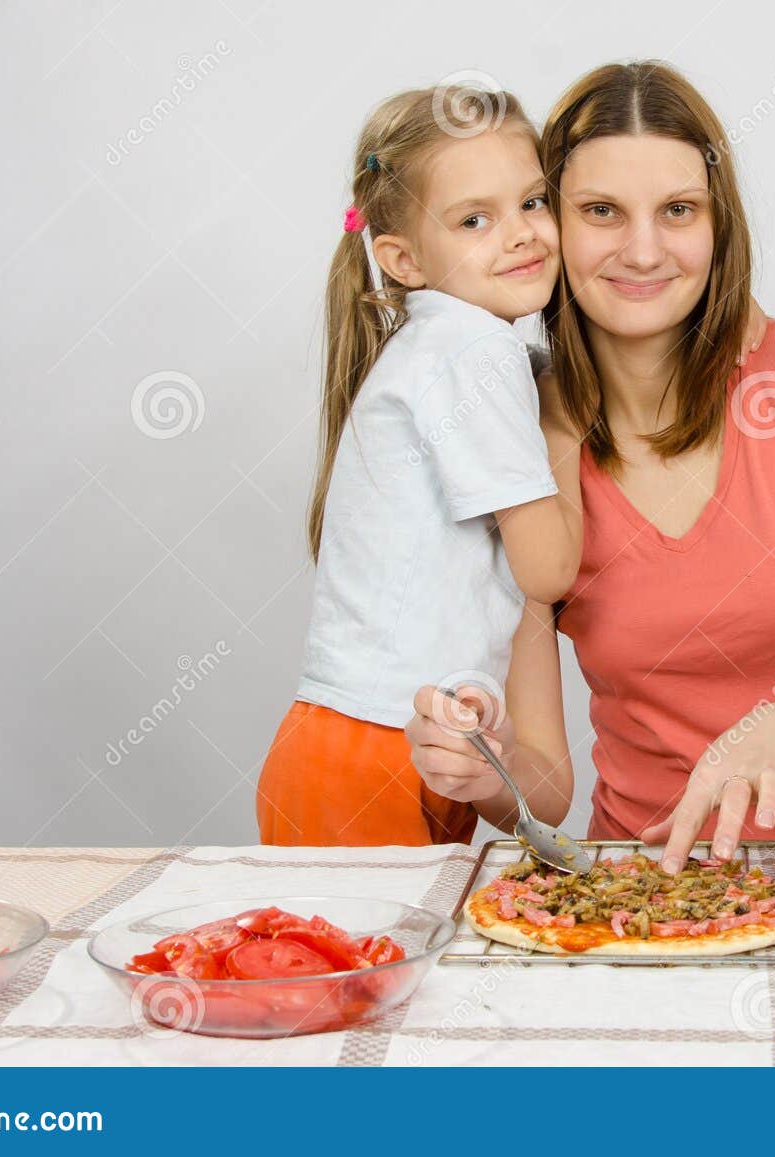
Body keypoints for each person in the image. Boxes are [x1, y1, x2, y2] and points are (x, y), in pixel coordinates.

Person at [404, 61, 775, 873]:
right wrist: (484, 764)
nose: (643, 249)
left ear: (716, 224)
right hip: (647, 891)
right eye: (600, 212)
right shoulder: (514, 430)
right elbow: (546, 786)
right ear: (546, 223)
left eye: (678, 210)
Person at [255, 84, 582, 847]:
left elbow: (551, 795)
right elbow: (549, 569)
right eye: (475, 219)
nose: (522, 235)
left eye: (534, 202)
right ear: (402, 259)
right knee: (357, 967)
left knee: (382, 967)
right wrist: (574, 424)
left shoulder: (448, 342)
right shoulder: (474, 347)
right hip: (371, 751)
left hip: (383, 746)